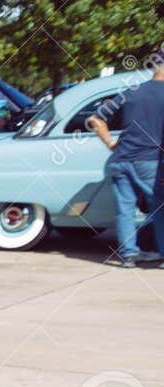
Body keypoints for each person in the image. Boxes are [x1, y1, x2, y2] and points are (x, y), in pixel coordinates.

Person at [88, 55, 164, 267]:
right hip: (149, 160)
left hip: (120, 158)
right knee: (160, 208)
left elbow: (95, 118)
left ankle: (129, 256)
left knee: (125, 209)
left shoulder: (131, 91)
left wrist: (111, 143)